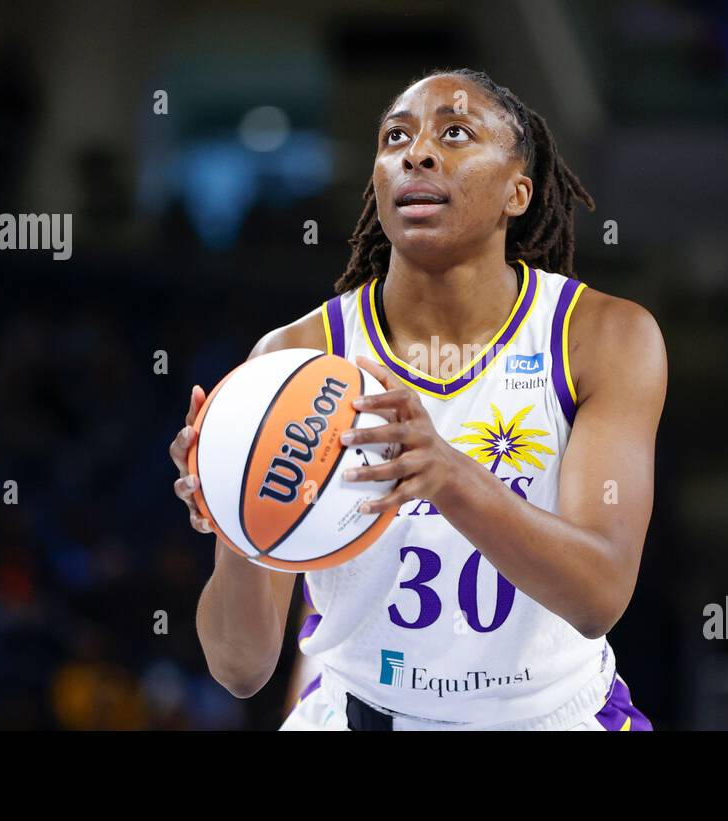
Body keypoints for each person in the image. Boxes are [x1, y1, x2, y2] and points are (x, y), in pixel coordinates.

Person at [170, 68, 667, 730]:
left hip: (551, 716)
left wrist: (448, 474)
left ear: (518, 191)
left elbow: (598, 596)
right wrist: (235, 512)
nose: (417, 153)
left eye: (455, 133)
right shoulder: (293, 357)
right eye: (395, 137)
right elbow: (241, 668)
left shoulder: (601, 337)